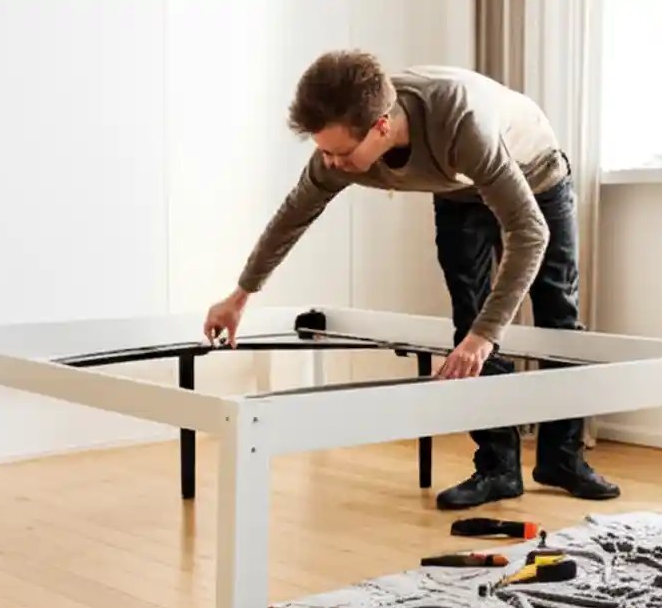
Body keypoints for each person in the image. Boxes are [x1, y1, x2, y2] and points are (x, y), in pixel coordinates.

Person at [203, 49, 620, 509]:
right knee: (468, 317)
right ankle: (498, 467)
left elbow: (530, 231)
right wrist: (240, 295)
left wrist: (488, 334)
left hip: (535, 173)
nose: (331, 163)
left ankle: (563, 458)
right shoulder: (338, 152)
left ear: (381, 126)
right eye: (322, 150)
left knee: (556, 317)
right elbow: (291, 219)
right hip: (456, 187)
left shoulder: (463, 122)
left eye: (339, 152)